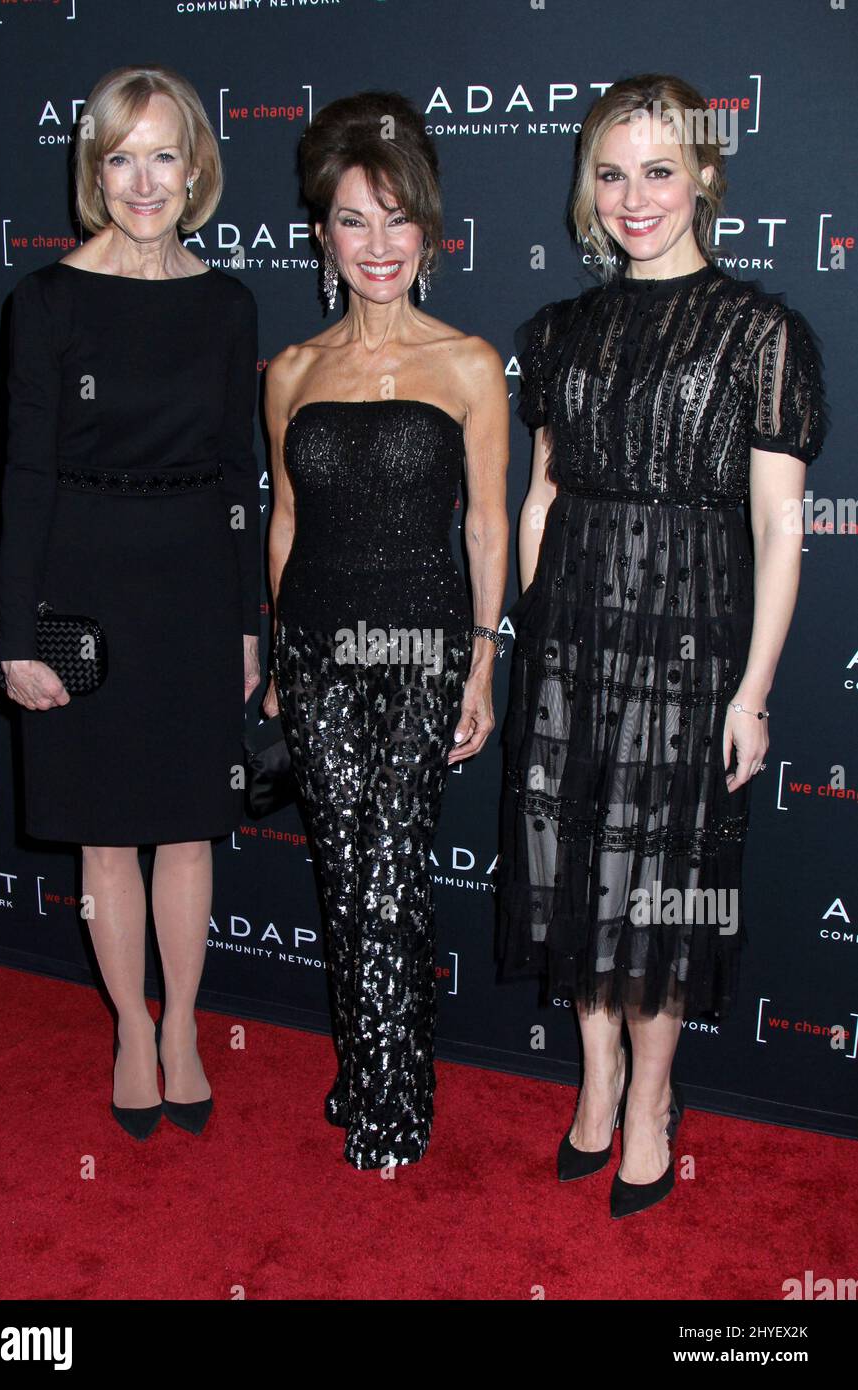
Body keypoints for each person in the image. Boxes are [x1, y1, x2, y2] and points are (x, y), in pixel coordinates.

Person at [497, 74, 826, 1216]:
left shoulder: (759, 332)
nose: (634, 197)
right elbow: (539, 501)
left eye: (658, 170)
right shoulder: (558, 332)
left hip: (688, 648)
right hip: (570, 642)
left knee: (660, 888)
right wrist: (533, 634)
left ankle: (650, 1101)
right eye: (610, 171)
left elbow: (780, 525)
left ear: (701, 179)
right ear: (586, 187)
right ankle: (594, 1085)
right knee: (578, 874)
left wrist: (754, 690)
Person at [0, 65, 261, 1141]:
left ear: (196, 165)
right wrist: (17, 633)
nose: (142, 180)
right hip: (85, 589)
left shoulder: (228, 301)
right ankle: (129, 1029)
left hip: (196, 586)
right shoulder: (48, 301)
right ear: (92, 170)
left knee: (190, 831)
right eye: (119, 156)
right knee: (106, 835)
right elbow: (24, 476)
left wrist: (251, 625)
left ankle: (187, 1021)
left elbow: (242, 474)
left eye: (162, 154)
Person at [263, 91, 509, 1169]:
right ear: (322, 234)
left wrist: (484, 659)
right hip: (314, 642)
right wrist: (277, 656)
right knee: (342, 867)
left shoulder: (467, 364)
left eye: (397, 221)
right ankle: (371, 1061)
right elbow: (283, 520)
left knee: (394, 860)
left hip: (420, 645)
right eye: (354, 221)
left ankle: (389, 1096)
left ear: (428, 234)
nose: (378, 245)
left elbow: (490, 524)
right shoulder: (291, 372)